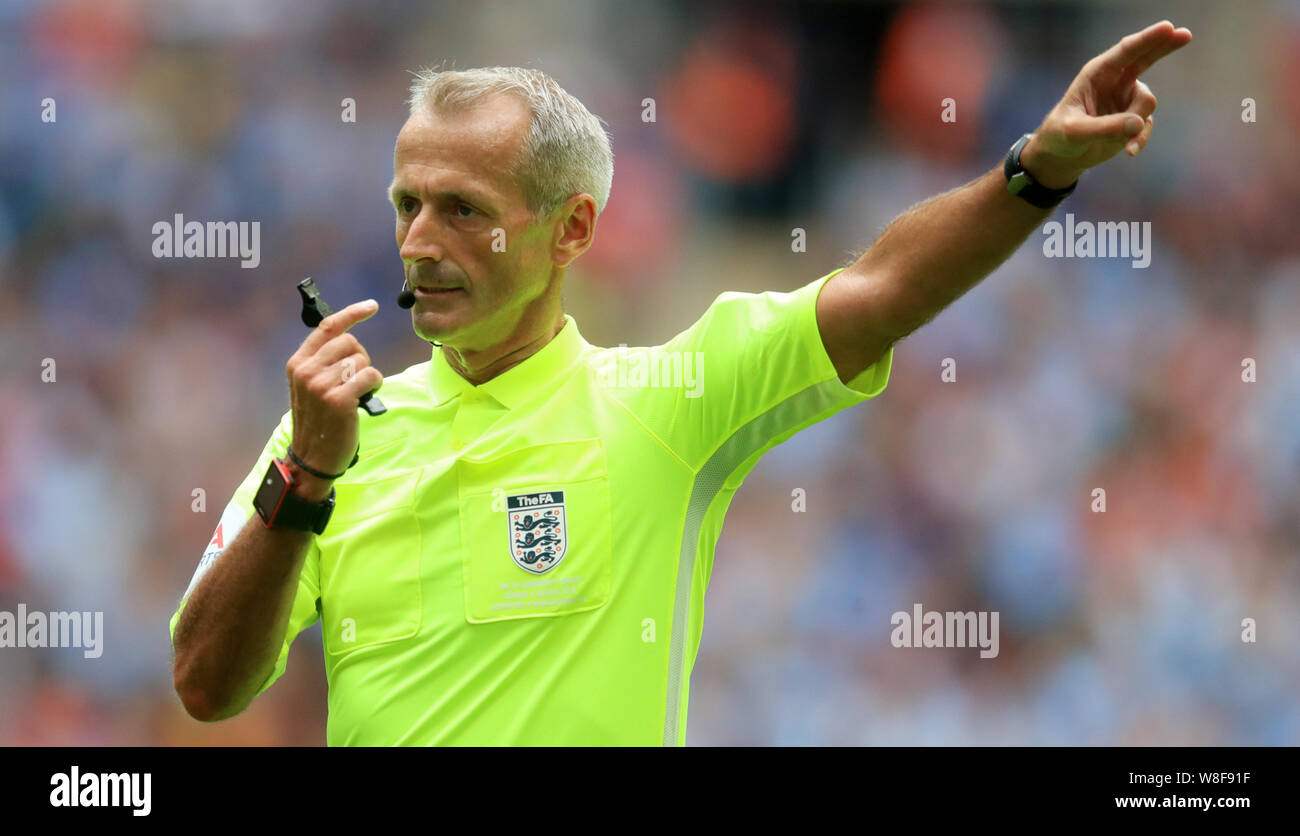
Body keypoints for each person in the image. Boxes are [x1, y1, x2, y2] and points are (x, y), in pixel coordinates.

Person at [171, 20, 1192, 745]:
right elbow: (205, 684)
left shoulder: (662, 402)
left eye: (460, 207)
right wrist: (304, 475)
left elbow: (878, 286)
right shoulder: (332, 433)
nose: (419, 242)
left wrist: (1036, 170)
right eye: (406, 204)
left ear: (570, 227)